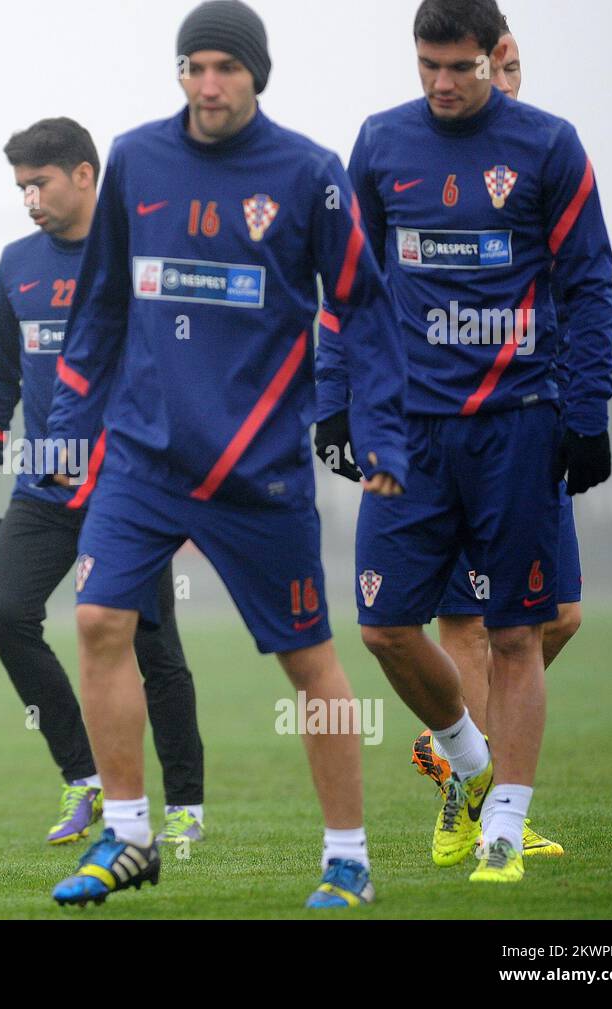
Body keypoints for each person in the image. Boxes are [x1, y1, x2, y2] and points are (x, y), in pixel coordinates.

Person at [44, 0, 408, 908]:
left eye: (225, 68)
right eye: (193, 66)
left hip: (259, 469)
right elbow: (98, 311)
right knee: (96, 621)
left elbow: (365, 307)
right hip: (143, 454)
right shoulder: (135, 159)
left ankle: (349, 858)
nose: (208, 85)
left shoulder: (309, 174)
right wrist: (67, 426)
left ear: (256, 75)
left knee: (309, 661)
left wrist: (386, 432)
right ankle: (128, 835)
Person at [338, 0, 612, 883]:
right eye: (428, 65)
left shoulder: (550, 145)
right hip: (410, 432)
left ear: (499, 56)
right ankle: (471, 760)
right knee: (383, 625)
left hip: (517, 425)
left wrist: (588, 410)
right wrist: (334, 400)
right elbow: (346, 284)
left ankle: (504, 830)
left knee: (523, 629)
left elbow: (588, 284)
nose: (443, 83)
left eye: (460, 66)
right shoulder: (380, 143)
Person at [0, 117, 207, 846]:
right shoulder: (16, 264)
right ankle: (87, 778)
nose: (29, 199)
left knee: (152, 645)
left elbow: (184, 366)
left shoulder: (140, 255)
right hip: (45, 484)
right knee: (6, 615)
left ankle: (187, 807)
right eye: (20, 187)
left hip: (128, 486)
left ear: (83, 174)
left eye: (38, 183)